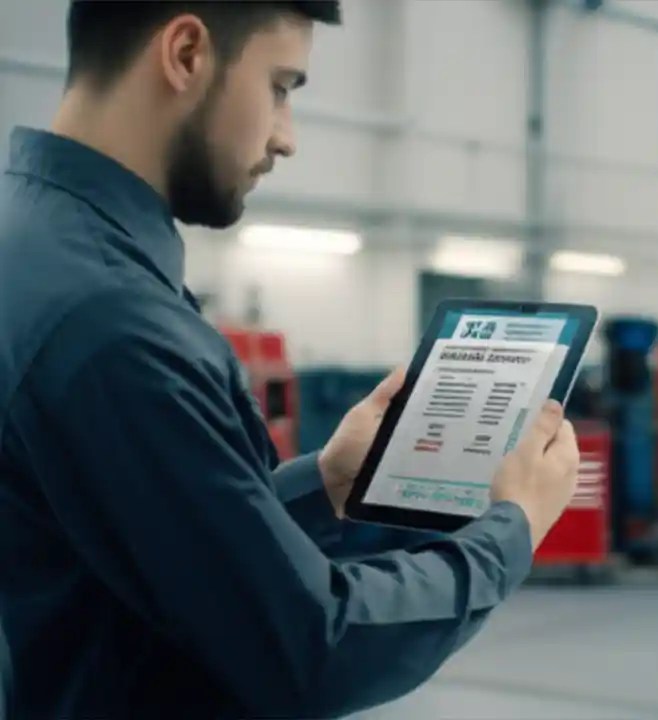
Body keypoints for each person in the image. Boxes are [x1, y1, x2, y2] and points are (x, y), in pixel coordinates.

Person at [0, 2, 581, 717]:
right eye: (280, 87)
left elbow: (165, 549)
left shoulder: (29, 242)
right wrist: (510, 529)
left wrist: (327, 482)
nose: (286, 138)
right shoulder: (114, 322)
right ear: (185, 53)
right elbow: (311, 644)